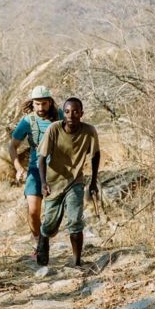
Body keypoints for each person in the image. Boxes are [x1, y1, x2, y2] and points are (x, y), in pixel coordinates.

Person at [36, 97, 100, 267]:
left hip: (75, 182)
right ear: (63, 113)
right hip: (54, 181)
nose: (71, 115)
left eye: (75, 111)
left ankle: (76, 261)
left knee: (75, 220)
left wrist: (93, 182)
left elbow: (95, 155)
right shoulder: (54, 129)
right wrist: (43, 183)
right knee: (50, 224)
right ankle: (43, 239)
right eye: (67, 112)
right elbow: (41, 159)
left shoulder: (89, 131)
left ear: (81, 113)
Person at [9, 85, 62, 258]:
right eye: (37, 104)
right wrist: (18, 168)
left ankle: (47, 236)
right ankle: (39, 244)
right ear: (32, 103)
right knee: (33, 210)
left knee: (53, 214)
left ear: (50, 102)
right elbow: (13, 146)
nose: (40, 108)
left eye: (44, 104)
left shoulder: (60, 116)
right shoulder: (27, 121)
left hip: (57, 169)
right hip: (34, 169)